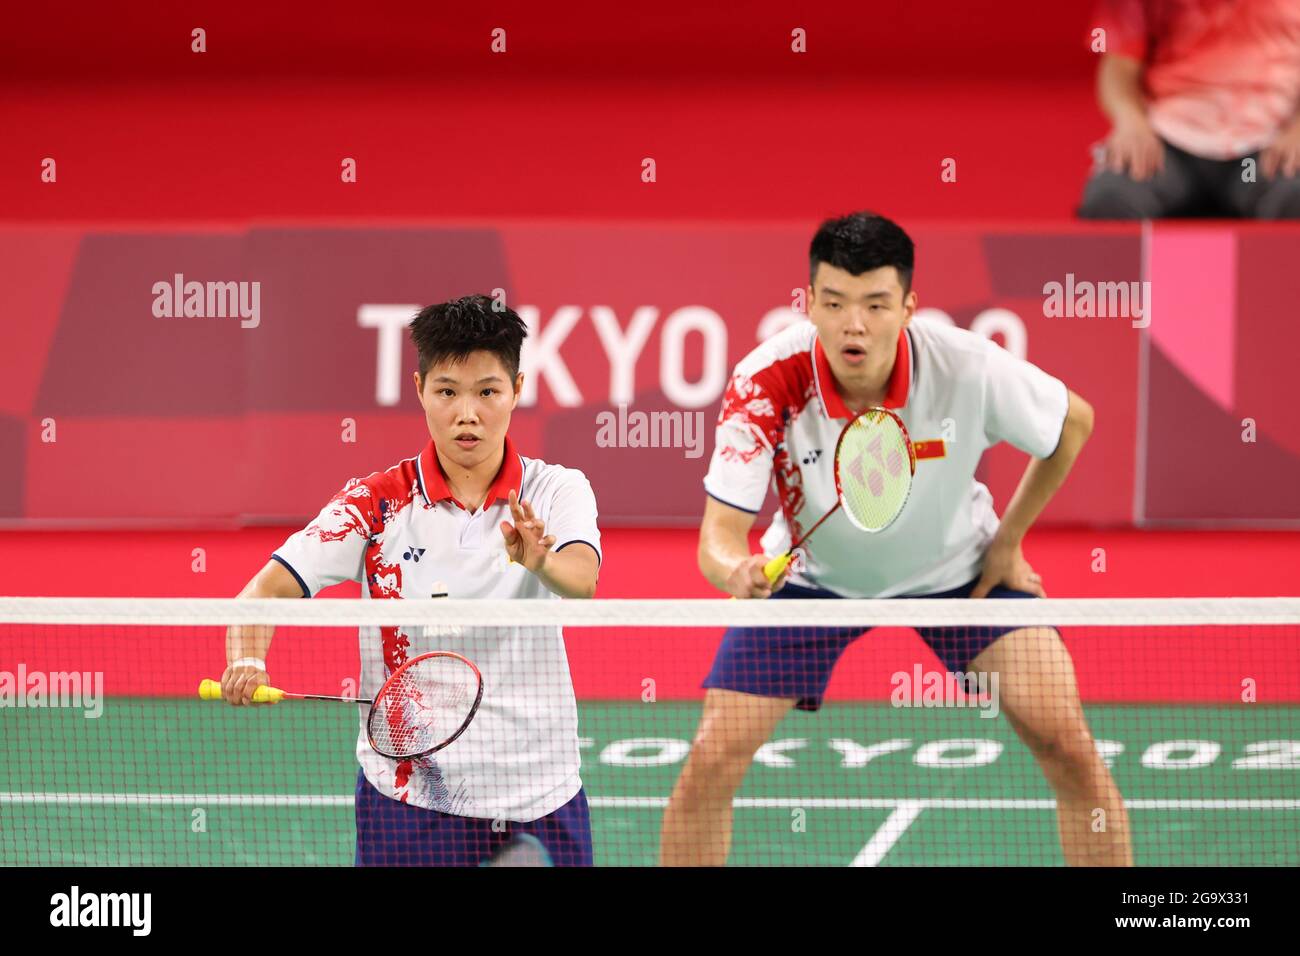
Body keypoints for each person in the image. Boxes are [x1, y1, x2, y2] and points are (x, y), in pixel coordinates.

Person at [660, 212, 1132, 866]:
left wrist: (1010, 541)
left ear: (909, 306)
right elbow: (717, 537)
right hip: (811, 581)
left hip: (961, 576)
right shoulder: (766, 381)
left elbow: (1073, 423)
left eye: (876, 305)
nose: (854, 324)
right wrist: (732, 569)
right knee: (712, 758)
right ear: (808, 303)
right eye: (835, 303)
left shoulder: (965, 366)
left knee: (1070, 746)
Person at [219, 294, 602, 866]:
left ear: (518, 390)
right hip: (412, 793)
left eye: (487, 392)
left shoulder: (556, 490)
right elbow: (264, 592)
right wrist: (247, 658)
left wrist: (540, 561)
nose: (466, 413)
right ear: (420, 387)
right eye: (447, 391)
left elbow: (582, 579)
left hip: (538, 788)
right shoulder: (374, 506)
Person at [1079, 0, 1300, 219]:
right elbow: (1118, 70)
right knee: (1110, 199)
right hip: (1167, 144)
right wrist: (1131, 122)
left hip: (1266, 149)